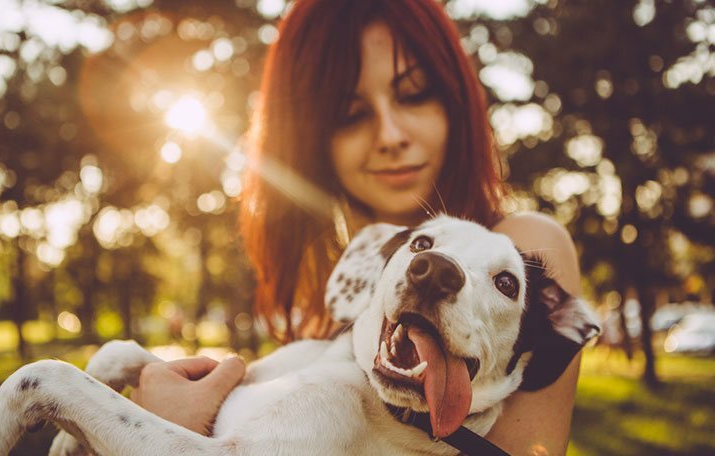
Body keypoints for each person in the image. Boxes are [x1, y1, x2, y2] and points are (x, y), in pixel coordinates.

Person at [133, 1, 584, 454]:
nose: (390, 134)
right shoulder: (334, 301)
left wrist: (156, 436)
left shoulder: (526, 248)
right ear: (309, 139)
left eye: (414, 93)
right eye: (350, 113)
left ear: (453, 100)